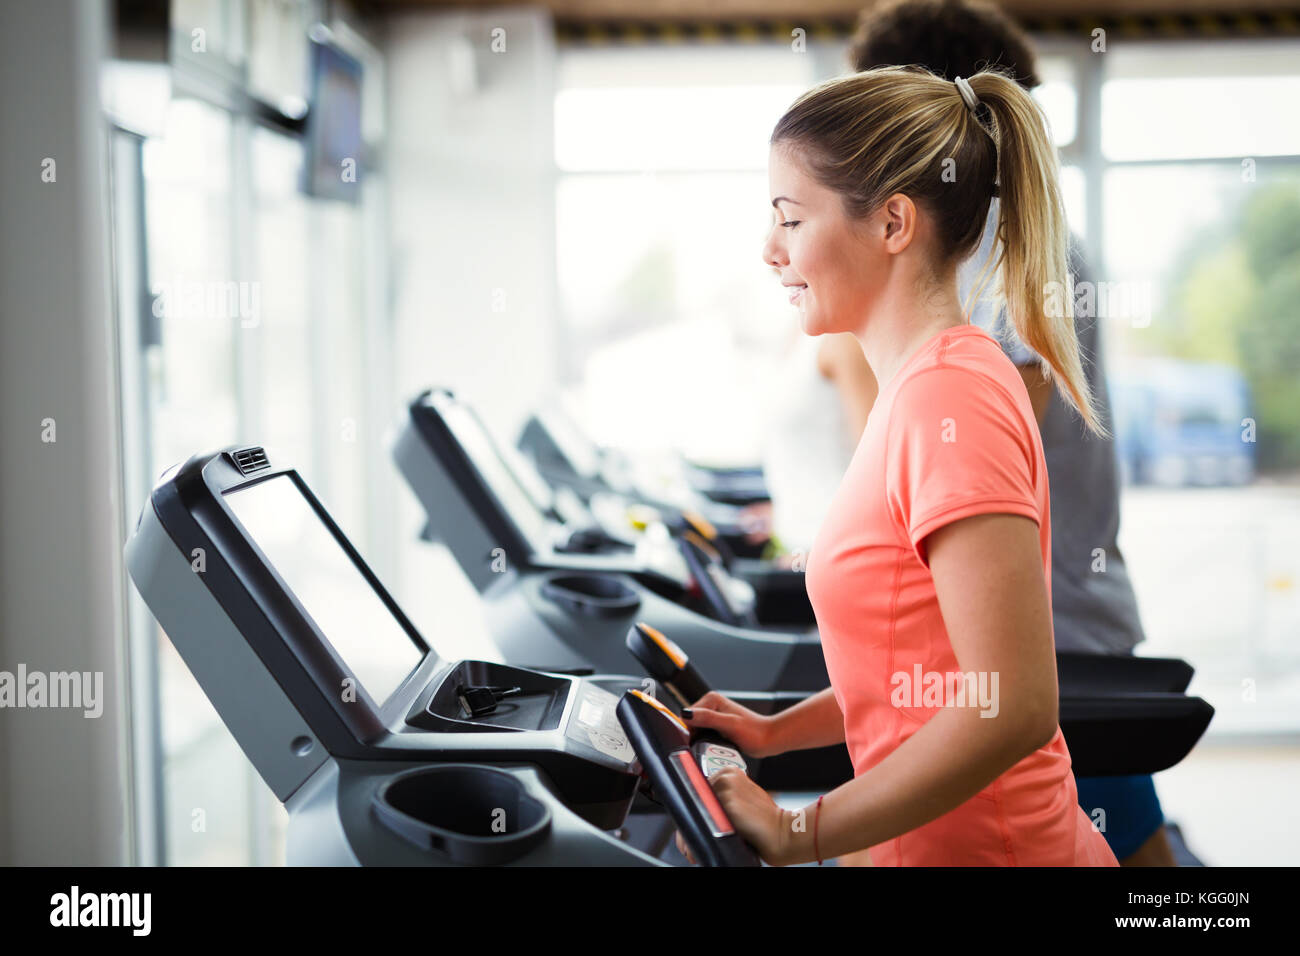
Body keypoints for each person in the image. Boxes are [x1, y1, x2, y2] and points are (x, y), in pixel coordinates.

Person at [684, 65, 1118, 865]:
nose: (771, 250)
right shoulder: (921, 387)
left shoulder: (949, 399)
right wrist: (776, 732)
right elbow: (914, 665)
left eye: (791, 218)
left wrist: (796, 829)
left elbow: (1011, 704)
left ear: (892, 223)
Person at [842, 0, 1177, 866]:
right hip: (1033, 630)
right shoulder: (988, 248)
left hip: (1049, 633)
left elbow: (967, 446)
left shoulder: (1007, 248)